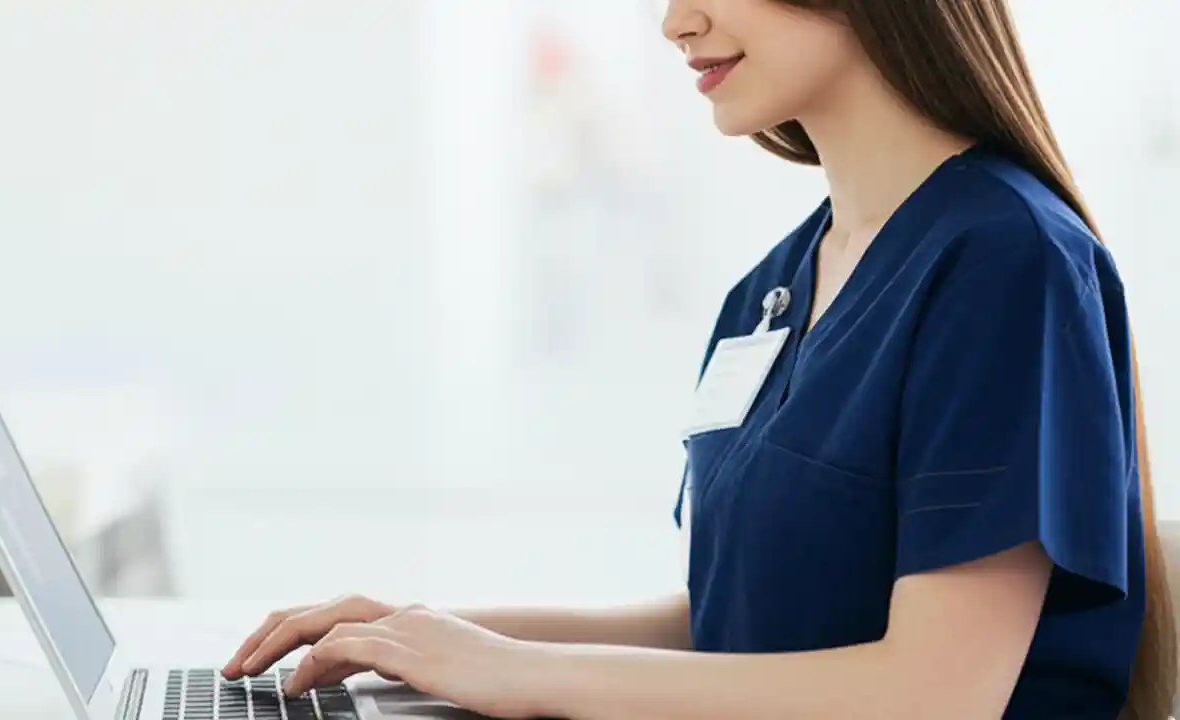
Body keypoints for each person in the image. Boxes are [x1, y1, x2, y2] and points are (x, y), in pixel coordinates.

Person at [222, 1, 1177, 717]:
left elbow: (935, 694)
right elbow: (736, 623)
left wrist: (521, 674)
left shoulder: (1007, 260)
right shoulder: (777, 283)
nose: (677, 22)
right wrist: (428, 637)